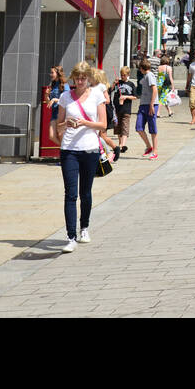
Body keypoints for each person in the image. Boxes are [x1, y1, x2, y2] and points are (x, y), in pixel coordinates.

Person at [52, 61, 108, 252]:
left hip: (90, 149)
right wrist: (66, 124)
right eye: (78, 78)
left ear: (89, 78)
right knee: (70, 194)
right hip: (69, 149)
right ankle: (71, 237)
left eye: (84, 78)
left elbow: (103, 125)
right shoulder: (65, 97)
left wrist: (84, 122)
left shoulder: (97, 95)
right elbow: (57, 126)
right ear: (73, 78)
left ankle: (84, 227)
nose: (81, 81)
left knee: (85, 193)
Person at [93, 68, 121, 162]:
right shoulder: (106, 86)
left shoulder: (102, 86)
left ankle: (114, 149)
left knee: (102, 136)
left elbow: (108, 99)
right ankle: (110, 150)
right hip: (105, 111)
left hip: (105, 112)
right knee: (101, 135)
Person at [134, 58, 159, 160]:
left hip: (150, 105)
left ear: (141, 68)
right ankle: (149, 147)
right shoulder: (145, 76)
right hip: (143, 104)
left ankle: (155, 151)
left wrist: (152, 105)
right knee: (139, 127)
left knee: (152, 129)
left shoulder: (150, 75)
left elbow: (154, 90)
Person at [112, 66, 136, 153]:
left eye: (124, 75)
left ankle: (122, 145)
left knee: (125, 127)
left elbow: (135, 96)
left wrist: (126, 97)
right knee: (118, 128)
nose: (122, 77)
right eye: (121, 75)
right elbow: (110, 90)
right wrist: (114, 84)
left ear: (128, 75)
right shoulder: (118, 83)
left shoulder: (131, 84)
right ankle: (120, 143)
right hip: (117, 108)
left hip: (126, 109)